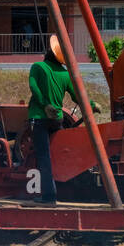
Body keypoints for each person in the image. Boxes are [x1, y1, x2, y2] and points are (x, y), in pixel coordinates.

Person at [27, 34, 79, 204]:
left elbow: (34, 87)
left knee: (44, 157)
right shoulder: (65, 74)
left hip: (40, 118)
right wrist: (92, 104)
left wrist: (44, 105)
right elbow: (77, 96)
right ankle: (66, 186)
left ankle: (49, 196)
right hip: (57, 119)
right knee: (58, 153)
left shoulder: (38, 67)